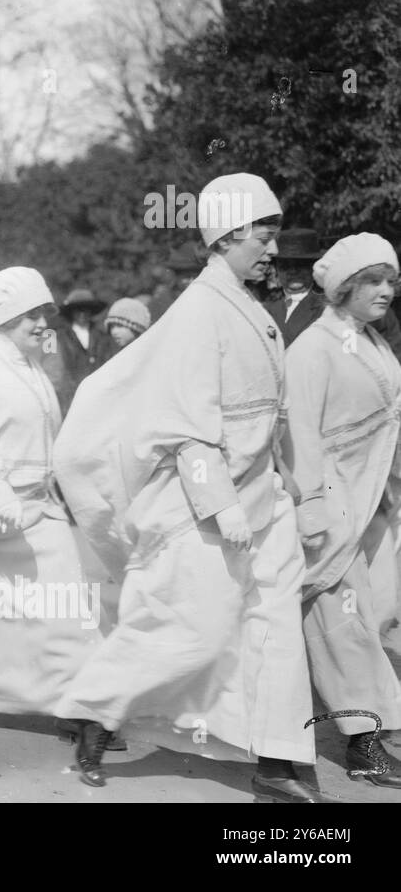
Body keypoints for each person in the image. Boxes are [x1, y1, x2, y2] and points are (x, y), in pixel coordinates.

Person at [51, 173, 317, 802]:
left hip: (265, 501)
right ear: (224, 236)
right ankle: (94, 710)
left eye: (275, 231)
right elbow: (185, 429)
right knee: (189, 633)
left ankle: (279, 762)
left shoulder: (251, 308)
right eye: (262, 232)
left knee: (277, 628)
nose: (273, 247)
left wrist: (288, 477)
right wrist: (221, 507)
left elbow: (266, 416)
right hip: (206, 507)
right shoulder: (200, 312)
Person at [0, 267, 101, 717]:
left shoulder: (32, 368)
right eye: (31, 316)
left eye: (44, 314)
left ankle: (82, 707)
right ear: (4, 321)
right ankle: (49, 702)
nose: (42, 325)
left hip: (40, 513)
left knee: (66, 616)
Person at [284, 234, 401, 788]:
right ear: (345, 286)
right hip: (333, 508)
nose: (386, 290)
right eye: (374, 281)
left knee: (377, 622)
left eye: (391, 280)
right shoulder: (312, 349)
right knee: (345, 627)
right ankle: (363, 747)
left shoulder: (371, 341)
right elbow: (299, 435)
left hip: (376, 504)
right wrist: (311, 510)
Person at [265, 227, 401, 355]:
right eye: (285, 266)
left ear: (312, 266)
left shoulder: (340, 307)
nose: (293, 271)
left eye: (300, 265)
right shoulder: (265, 310)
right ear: (276, 268)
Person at [43, 288, 113, 415]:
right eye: (78, 309)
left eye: (86, 309)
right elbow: (49, 369)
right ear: (71, 312)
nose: (82, 313)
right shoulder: (54, 336)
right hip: (69, 401)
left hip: (99, 399)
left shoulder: (103, 337)